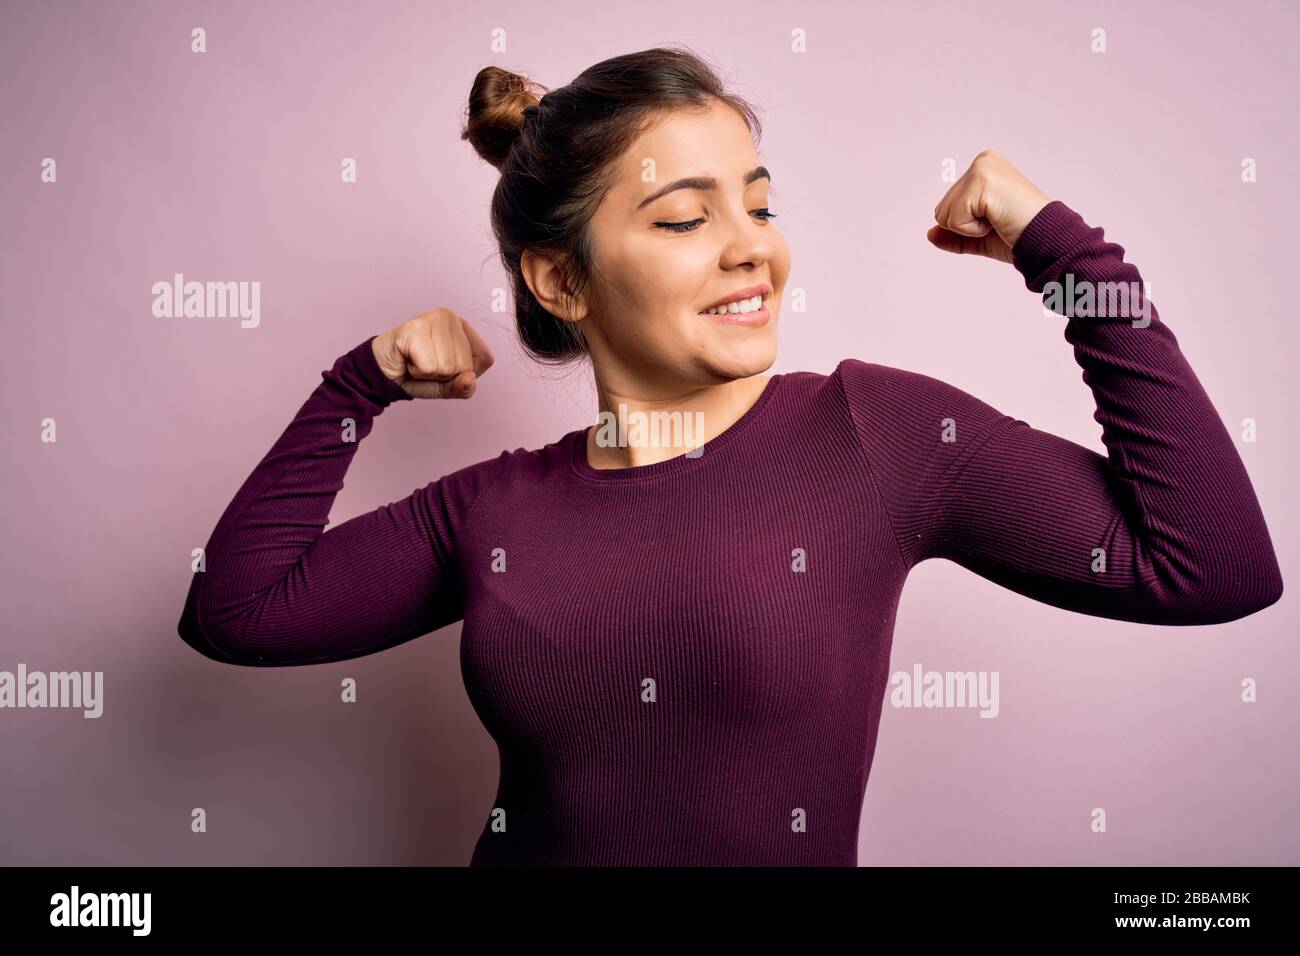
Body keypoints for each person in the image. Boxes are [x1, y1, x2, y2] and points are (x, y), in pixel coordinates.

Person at [177, 47, 1283, 866]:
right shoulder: (493, 508)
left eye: (756, 203)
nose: (751, 243)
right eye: (681, 219)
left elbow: (1212, 565)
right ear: (560, 282)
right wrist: (356, 383)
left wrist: (1062, 250)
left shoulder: (872, 436)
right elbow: (235, 612)